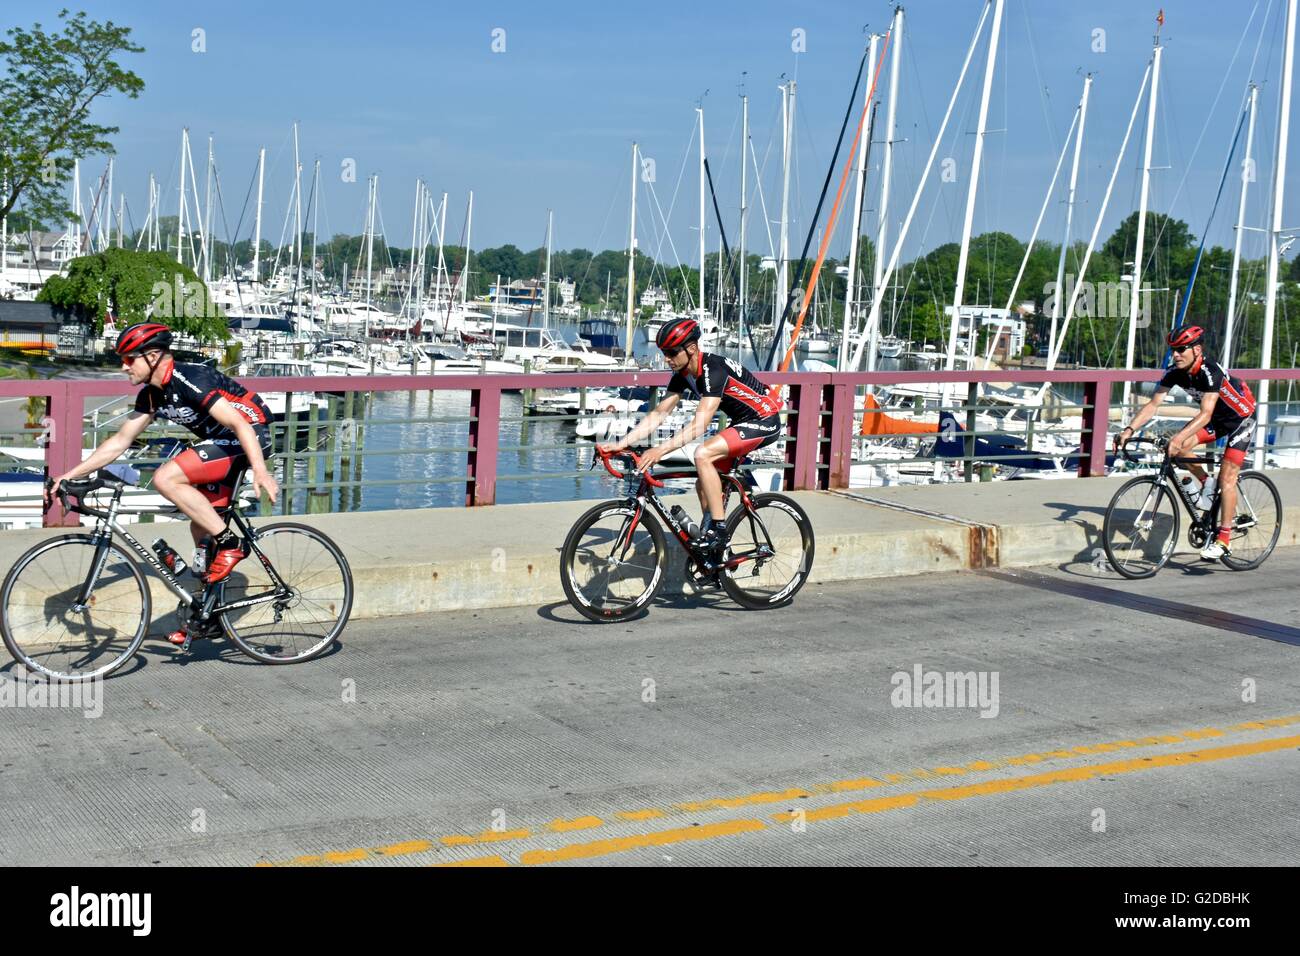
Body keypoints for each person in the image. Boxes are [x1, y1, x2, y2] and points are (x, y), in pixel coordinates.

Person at [46, 322, 279, 641]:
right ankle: (208, 617)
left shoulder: (188, 379)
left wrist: (261, 470)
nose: (123, 366)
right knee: (202, 526)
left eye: (129, 359)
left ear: (153, 356)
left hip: (250, 434)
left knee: (166, 477)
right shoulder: (153, 395)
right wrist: (68, 475)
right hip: (223, 440)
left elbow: (239, 422)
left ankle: (231, 544)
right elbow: (120, 441)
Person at [598, 316, 782, 561]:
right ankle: (716, 554)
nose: (666, 358)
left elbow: (699, 426)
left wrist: (658, 452)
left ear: (692, 348)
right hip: (743, 423)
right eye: (664, 352)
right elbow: (659, 414)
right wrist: (622, 443)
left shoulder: (713, 370)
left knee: (702, 454)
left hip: (765, 421)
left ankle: (719, 531)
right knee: (703, 484)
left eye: (672, 352)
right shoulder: (682, 372)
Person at [1116, 324, 1256, 559]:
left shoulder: (1210, 371)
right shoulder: (1174, 371)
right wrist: (1129, 429)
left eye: (1181, 349)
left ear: (1197, 350)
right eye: (1173, 350)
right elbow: (1153, 404)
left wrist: (1178, 437)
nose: (1175, 354)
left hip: (1240, 419)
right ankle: (1205, 483)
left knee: (1228, 477)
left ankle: (1223, 540)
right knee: (1179, 451)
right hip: (1218, 420)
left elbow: (1205, 413)